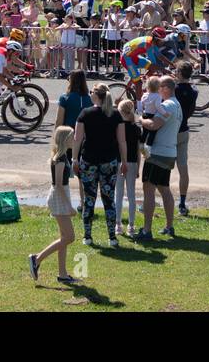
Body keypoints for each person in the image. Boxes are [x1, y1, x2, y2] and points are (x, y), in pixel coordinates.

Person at [72, 83, 127, 248]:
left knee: (89, 198)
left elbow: (77, 139)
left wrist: (74, 159)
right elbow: (122, 141)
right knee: (109, 199)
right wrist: (124, 161)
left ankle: (87, 236)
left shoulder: (85, 113)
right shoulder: (116, 114)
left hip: (88, 160)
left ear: (96, 95)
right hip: (109, 162)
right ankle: (112, 237)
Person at [29, 125, 77, 284]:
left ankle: (62, 274)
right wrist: (69, 206)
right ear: (65, 139)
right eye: (72, 136)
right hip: (58, 197)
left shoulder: (62, 156)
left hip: (60, 195)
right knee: (70, 237)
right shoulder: (60, 158)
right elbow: (57, 184)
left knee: (64, 238)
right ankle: (37, 259)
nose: (74, 139)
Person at [136, 76, 182, 239]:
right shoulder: (177, 105)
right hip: (169, 152)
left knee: (148, 189)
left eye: (159, 87)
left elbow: (154, 124)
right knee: (164, 188)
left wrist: (141, 119)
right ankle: (169, 227)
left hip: (158, 153)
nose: (156, 90)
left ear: (167, 88)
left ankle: (147, 230)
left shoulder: (167, 104)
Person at [174, 61, 199, 217]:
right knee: (183, 168)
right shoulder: (194, 91)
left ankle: (152, 199)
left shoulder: (173, 90)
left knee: (161, 165)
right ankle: (182, 203)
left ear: (179, 73)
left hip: (171, 131)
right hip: (184, 129)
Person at [114, 99, 142, 237]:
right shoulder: (136, 128)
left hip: (119, 162)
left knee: (118, 195)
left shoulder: (117, 127)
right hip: (132, 163)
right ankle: (131, 226)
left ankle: (118, 224)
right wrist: (138, 167)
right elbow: (138, 151)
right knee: (131, 195)